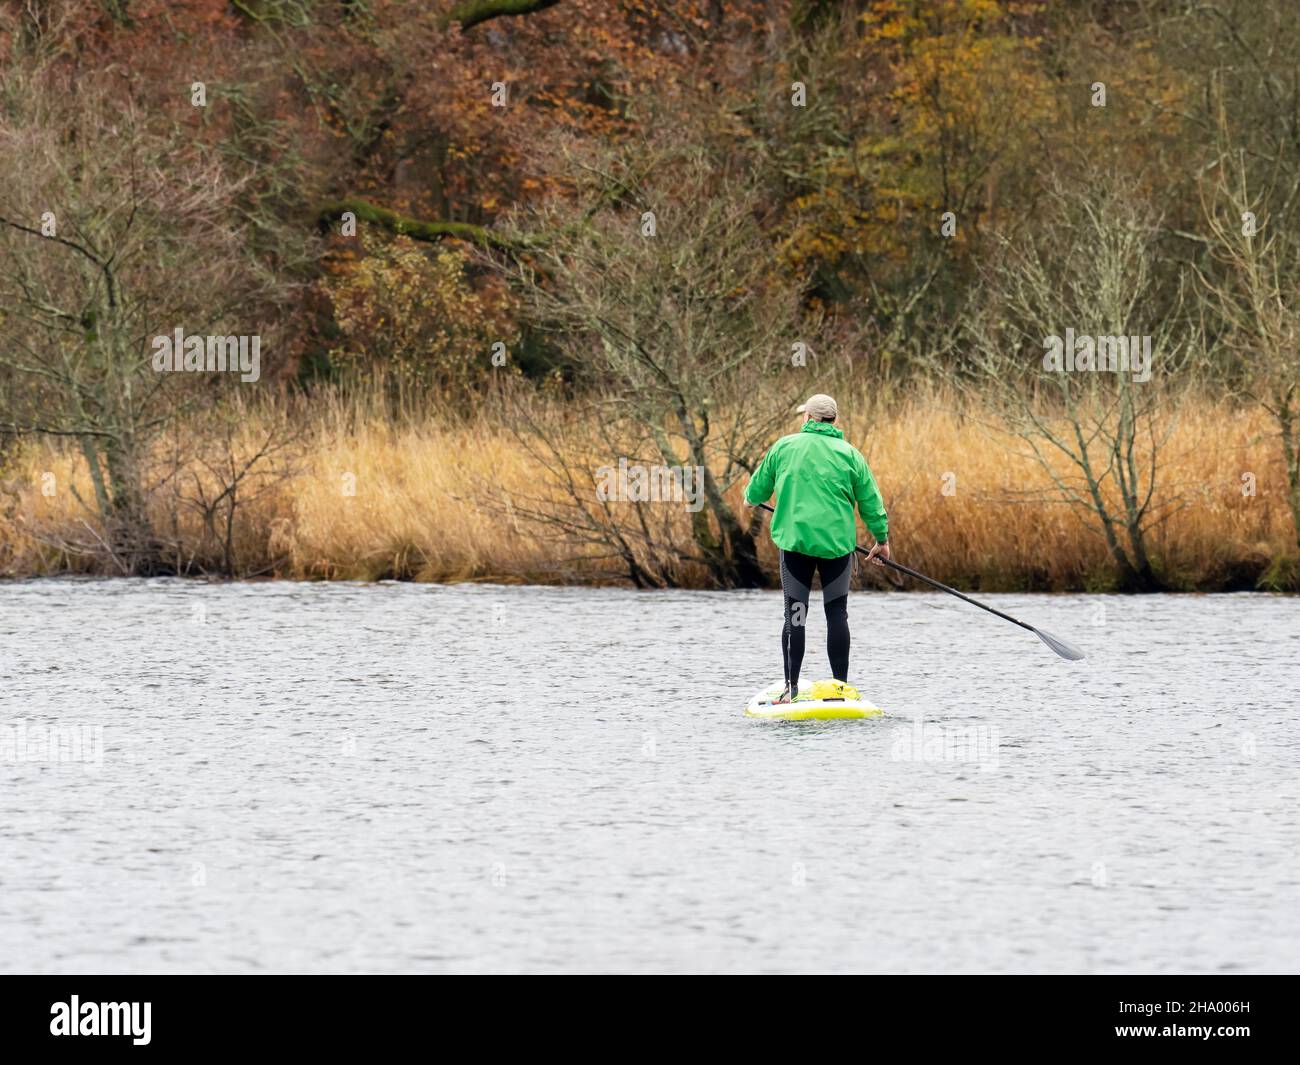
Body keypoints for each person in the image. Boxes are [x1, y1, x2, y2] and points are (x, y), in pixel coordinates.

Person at [743, 393, 890, 703]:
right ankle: (840, 689)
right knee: (837, 614)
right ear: (833, 421)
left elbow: (755, 492)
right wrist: (882, 541)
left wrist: (752, 497)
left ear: (807, 418)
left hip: (795, 544)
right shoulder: (850, 455)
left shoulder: (784, 447)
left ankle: (791, 689)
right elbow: (870, 503)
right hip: (837, 546)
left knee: (795, 615)